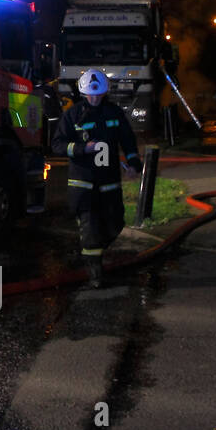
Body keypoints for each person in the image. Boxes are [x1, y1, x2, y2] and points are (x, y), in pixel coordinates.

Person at [51, 67, 142, 288]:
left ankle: (93, 254)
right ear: (83, 93)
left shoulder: (114, 113)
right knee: (91, 229)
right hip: (83, 184)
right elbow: (57, 145)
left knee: (115, 224)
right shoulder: (72, 115)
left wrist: (134, 164)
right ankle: (95, 273)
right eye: (90, 94)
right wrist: (82, 148)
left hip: (109, 181)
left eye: (98, 94)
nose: (94, 98)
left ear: (104, 93)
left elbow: (128, 141)